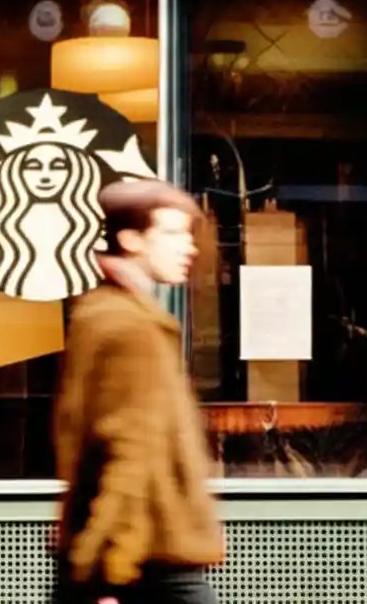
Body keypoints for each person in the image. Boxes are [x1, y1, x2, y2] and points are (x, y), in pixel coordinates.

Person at [52, 179, 225, 604]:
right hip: (146, 558)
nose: (188, 247)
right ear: (130, 239)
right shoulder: (129, 326)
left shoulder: (107, 313)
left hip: (134, 555)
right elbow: (127, 452)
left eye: (188, 234)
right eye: (170, 234)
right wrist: (109, 577)